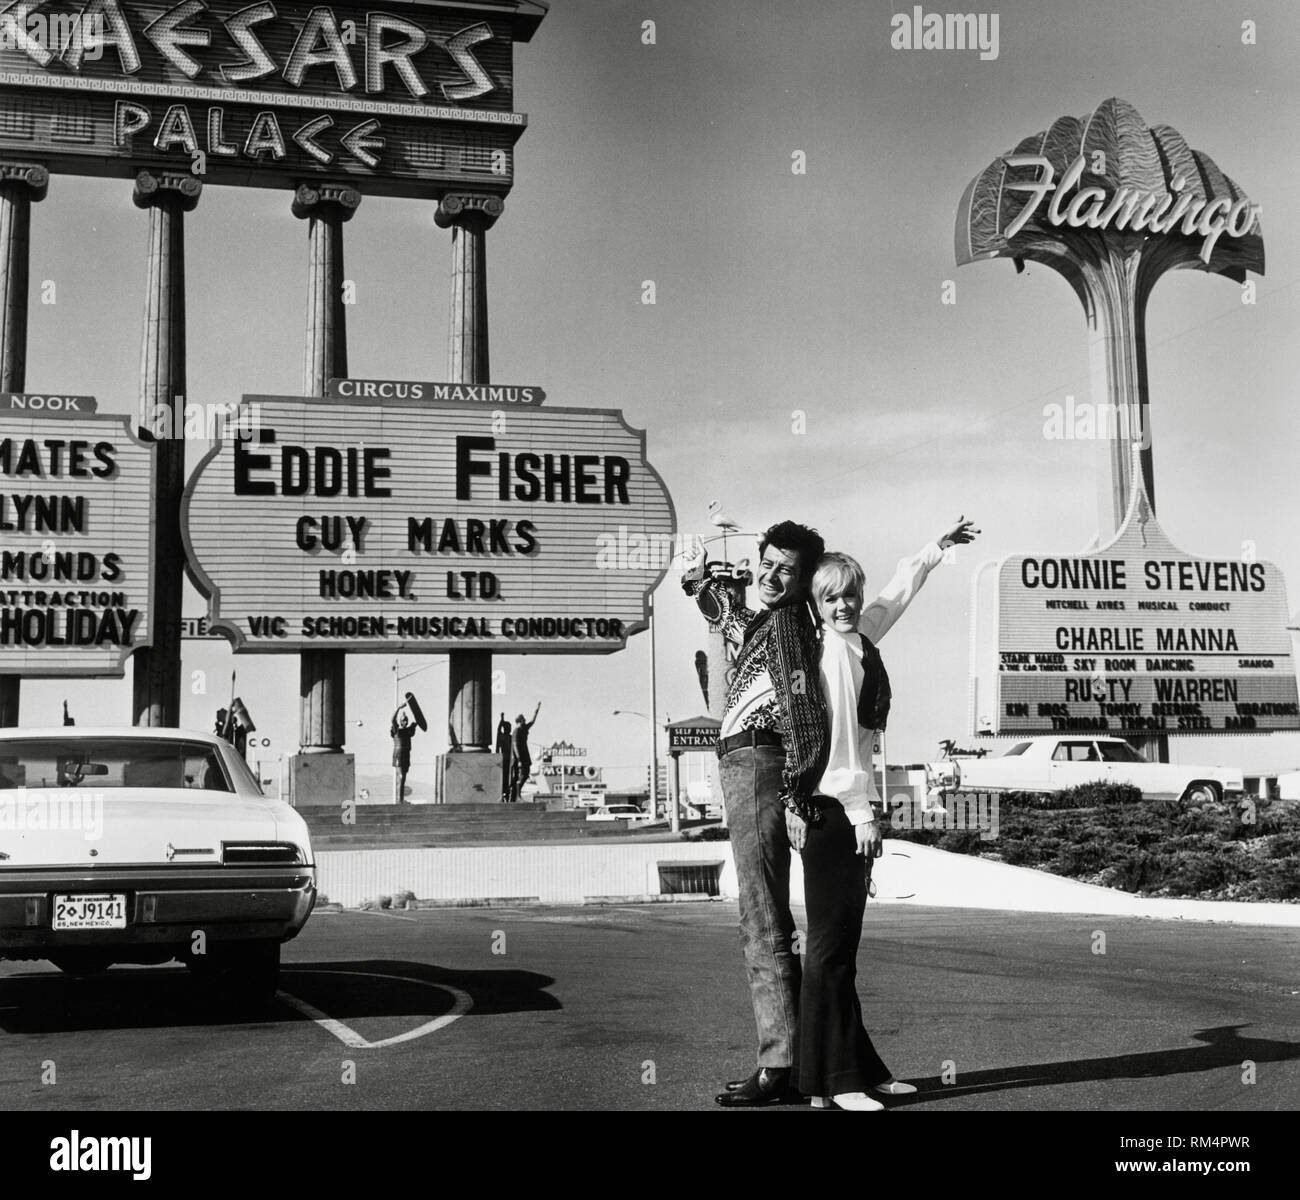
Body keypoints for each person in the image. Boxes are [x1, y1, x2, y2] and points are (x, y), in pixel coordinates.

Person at [686, 517, 975, 1107]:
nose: (768, 576)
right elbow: (739, 621)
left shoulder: (801, 632)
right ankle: (839, 1065)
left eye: (784, 570)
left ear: (805, 586)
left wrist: (797, 795)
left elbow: (809, 720)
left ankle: (793, 1068)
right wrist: (700, 584)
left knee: (775, 923)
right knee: (806, 934)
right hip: (771, 773)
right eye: (763, 563)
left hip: (778, 772)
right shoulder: (788, 625)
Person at [794, 521, 979, 1112]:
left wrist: (935, 549)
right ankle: (834, 1082)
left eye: (851, 593)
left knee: (840, 950)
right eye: (832, 598)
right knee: (828, 950)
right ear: (815, 605)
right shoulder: (825, 657)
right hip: (833, 812)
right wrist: (862, 812)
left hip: (843, 811)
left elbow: (897, 593)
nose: (845, 605)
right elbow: (839, 749)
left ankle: (855, 1071)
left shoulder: (861, 640)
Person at [509, 703, 541, 803]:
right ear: (519, 721)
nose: (525, 721)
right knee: (521, 775)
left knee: (525, 774)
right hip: (519, 757)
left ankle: (516, 796)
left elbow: (532, 722)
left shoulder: (523, 729)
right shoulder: (517, 731)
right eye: (523, 720)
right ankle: (517, 796)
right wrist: (519, 759)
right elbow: (515, 745)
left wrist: (536, 711)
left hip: (524, 755)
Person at [496, 713, 514, 803]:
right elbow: (498, 729)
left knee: (508, 778)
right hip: (504, 758)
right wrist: (502, 719)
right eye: (508, 727)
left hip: (509, 759)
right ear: (505, 728)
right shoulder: (502, 736)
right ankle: (503, 794)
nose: (510, 729)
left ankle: (507, 794)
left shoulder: (511, 737)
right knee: (504, 778)